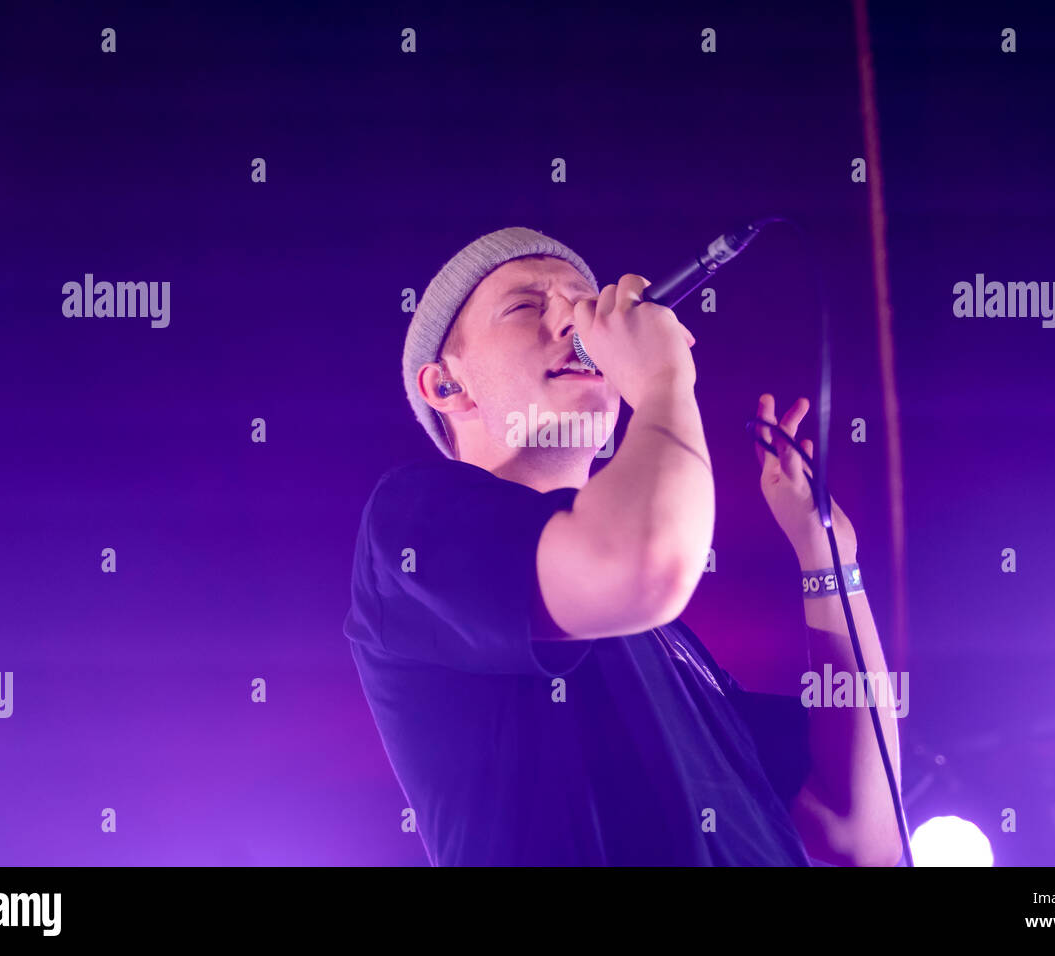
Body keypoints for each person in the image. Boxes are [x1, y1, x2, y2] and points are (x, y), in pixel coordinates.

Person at [344, 226, 902, 866]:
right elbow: (644, 563)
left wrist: (829, 560)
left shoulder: (665, 639)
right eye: (527, 306)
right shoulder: (414, 520)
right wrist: (663, 380)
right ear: (447, 386)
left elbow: (859, 834)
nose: (576, 323)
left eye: (586, 303)